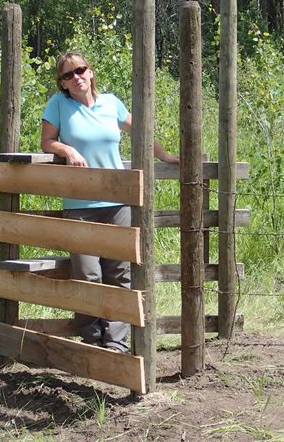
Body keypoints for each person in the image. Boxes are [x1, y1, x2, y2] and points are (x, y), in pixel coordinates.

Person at [41, 51, 178, 353]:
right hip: (79, 206)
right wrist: (66, 150)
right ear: (62, 83)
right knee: (88, 274)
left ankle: (116, 344)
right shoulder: (59, 106)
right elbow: (46, 141)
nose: (75, 77)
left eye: (80, 70)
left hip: (117, 203)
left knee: (119, 273)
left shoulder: (111, 103)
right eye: (67, 75)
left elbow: (140, 132)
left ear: (90, 72)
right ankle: (93, 342)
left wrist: (164, 155)